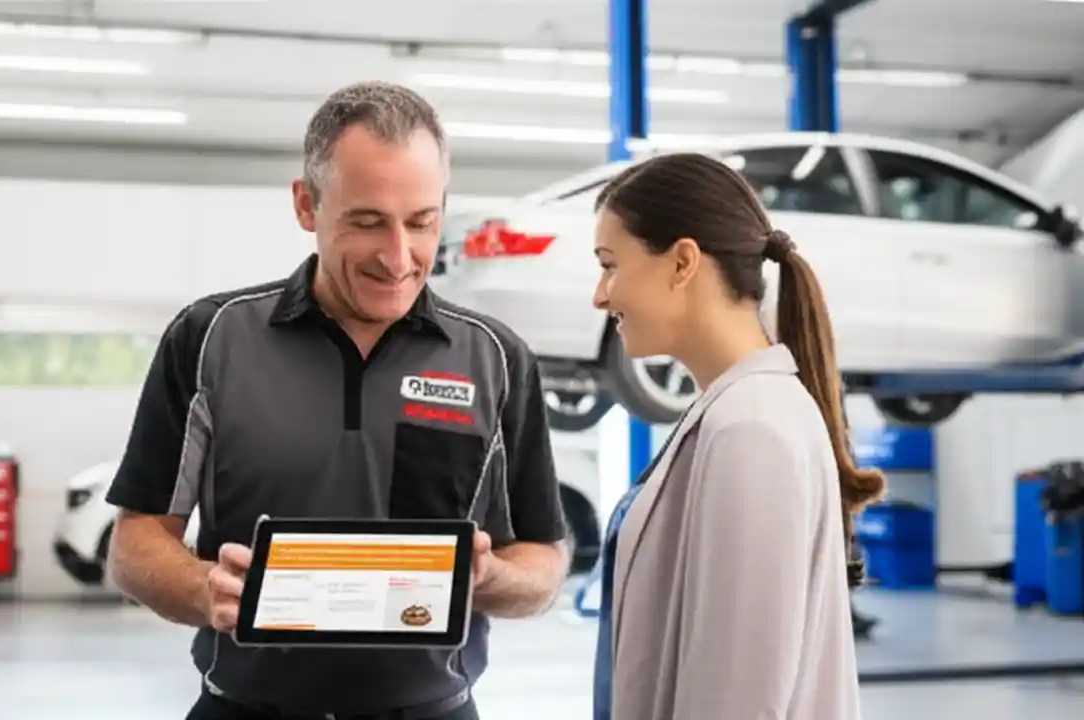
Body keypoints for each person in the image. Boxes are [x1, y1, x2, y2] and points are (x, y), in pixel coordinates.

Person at [103, 80, 570, 720]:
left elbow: (543, 557)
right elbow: (134, 543)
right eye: (368, 221)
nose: (399, 257)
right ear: (307, 204)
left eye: (421, 222)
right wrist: (201, 589)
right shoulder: (210, 339)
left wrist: (493, 580)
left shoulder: (496, 359)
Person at [590, 152, 886, 720]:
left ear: (682, 262)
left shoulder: (752, 429)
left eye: (610, 264)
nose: (601, 295)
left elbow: (737, 701)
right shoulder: (738, 411)